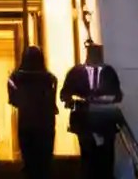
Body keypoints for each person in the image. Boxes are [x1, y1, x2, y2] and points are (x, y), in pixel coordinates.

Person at [60, 43, 122, 179]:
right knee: (92, 158)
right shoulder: (78, 71)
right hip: (88, 120)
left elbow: (118, 95)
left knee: (103, 159)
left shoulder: (107, 72)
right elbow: (64, 94)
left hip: (100, 121)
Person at [8, 46, 58, 179]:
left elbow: (14, 100)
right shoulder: (50, 79)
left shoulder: (15, 77)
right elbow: (52, 102)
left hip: (26, 122)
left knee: (29, 161)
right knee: (44, 162)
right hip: (46, 124)